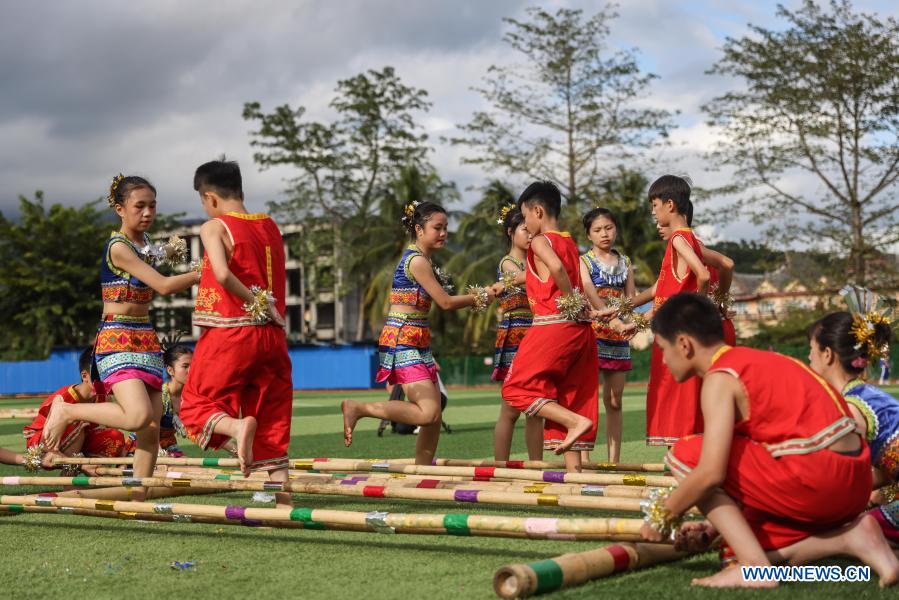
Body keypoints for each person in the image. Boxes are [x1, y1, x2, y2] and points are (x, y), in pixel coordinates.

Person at [641, 293, 899, 588]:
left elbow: (711, 473)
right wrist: (714, 527)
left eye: (661, 348)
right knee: (741, 547)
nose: (662, 359)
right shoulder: (765, 359)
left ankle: (753, 568)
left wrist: (663, 515)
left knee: (686, 451)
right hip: (852, 489)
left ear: (684, 344)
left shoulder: (720, 378)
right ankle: (849, 540)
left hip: (819, 481)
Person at [43, 175, 198, 489]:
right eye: (139, 206)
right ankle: (68, 409)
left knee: (151, 429)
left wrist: (171, 252)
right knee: (138, 417)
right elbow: (164, 286)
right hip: (117, 338)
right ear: (119, 209)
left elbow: (155, 257)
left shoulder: (144, 245)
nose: (147, 212)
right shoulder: (118, 247)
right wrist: (204, 272)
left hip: (146, 339)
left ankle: (136, 498)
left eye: (152, 205)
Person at [341, 201, 495, 465]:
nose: (444, 233)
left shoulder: (425, 260)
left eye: (446, 227)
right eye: (438, 227)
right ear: (419, 230)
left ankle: (423, 471)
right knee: (428, 413)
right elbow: (445, 303)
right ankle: (359, 408)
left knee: (433, 419)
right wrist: (481, 296)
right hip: (401, 339)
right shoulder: (417, 262)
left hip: (417, 340)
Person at [178, 160, 293, 509]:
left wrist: (257, 301)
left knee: (195, 405)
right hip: (273, 338)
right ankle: (285, 506)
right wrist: (270, 309)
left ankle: (238, 429)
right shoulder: (270, 225)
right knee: (272, 422)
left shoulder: (214, 226)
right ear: (241, 191)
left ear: (209, 198)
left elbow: (225, 276)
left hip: (232, 332)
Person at [501, 181, 631, 472]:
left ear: (537, 211)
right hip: (580, 332)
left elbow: (557, 271)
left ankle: (575, 423)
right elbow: (557, 273)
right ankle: (574, 474)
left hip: (553, 325)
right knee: (569, 396)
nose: (525, 224)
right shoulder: (570, 242)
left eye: (525, 216)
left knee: (516, 389)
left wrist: (571, 299)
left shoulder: (539, 241)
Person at [807, 307, 899, 543]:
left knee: (843, 533)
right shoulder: (869, 395)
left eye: (811, 350)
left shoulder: (849, 409)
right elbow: (883, 470)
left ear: (827, 354)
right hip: (894, 485)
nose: (808, 359)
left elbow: (837, 482)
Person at [642, 175, 709, 447]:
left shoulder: (678, 239)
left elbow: (702, 274)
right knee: (687, 399)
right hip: (679, 327)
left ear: (670, 205)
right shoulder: (691, 238)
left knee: (674, 397)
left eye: (655, 205)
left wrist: (698, 310)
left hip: (678, 329)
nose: (653, 212)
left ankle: (680, 465)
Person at [579, 207, 635, 463]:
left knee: (615, 400)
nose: (604, 234)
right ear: (589, 235)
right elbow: (590, 292)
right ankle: (585, 460)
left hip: (619, 336)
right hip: (592, 333)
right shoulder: (584, 261)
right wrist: (612, 320)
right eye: (598, 230)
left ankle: (614, 461)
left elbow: (631, 299)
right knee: (587, 397)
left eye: (609, 228)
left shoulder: (625, 262)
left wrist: (632, 324)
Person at [24, 348, 128, 473]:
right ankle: (71, 478)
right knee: (79, 423)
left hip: (79, 442)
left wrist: (123, 460)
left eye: (108, 373)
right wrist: (81, 465)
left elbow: (112, 430)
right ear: (85, 376)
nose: (106, 379)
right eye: (101, 374)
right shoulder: (63, 398)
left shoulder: (104, 398)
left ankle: (92, 472)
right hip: (44, 444)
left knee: (115, 436)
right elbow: (46, 441)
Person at [492, 205, 542, 461]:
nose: (530, 235)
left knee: (535, 408)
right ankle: (501, 465)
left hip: (535, 334)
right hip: (515, 334)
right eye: (525, 230)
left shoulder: (535, 260)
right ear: (511, 232)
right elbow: (526, 278)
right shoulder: (508, 262)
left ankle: (536, 465)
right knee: (510, 409)